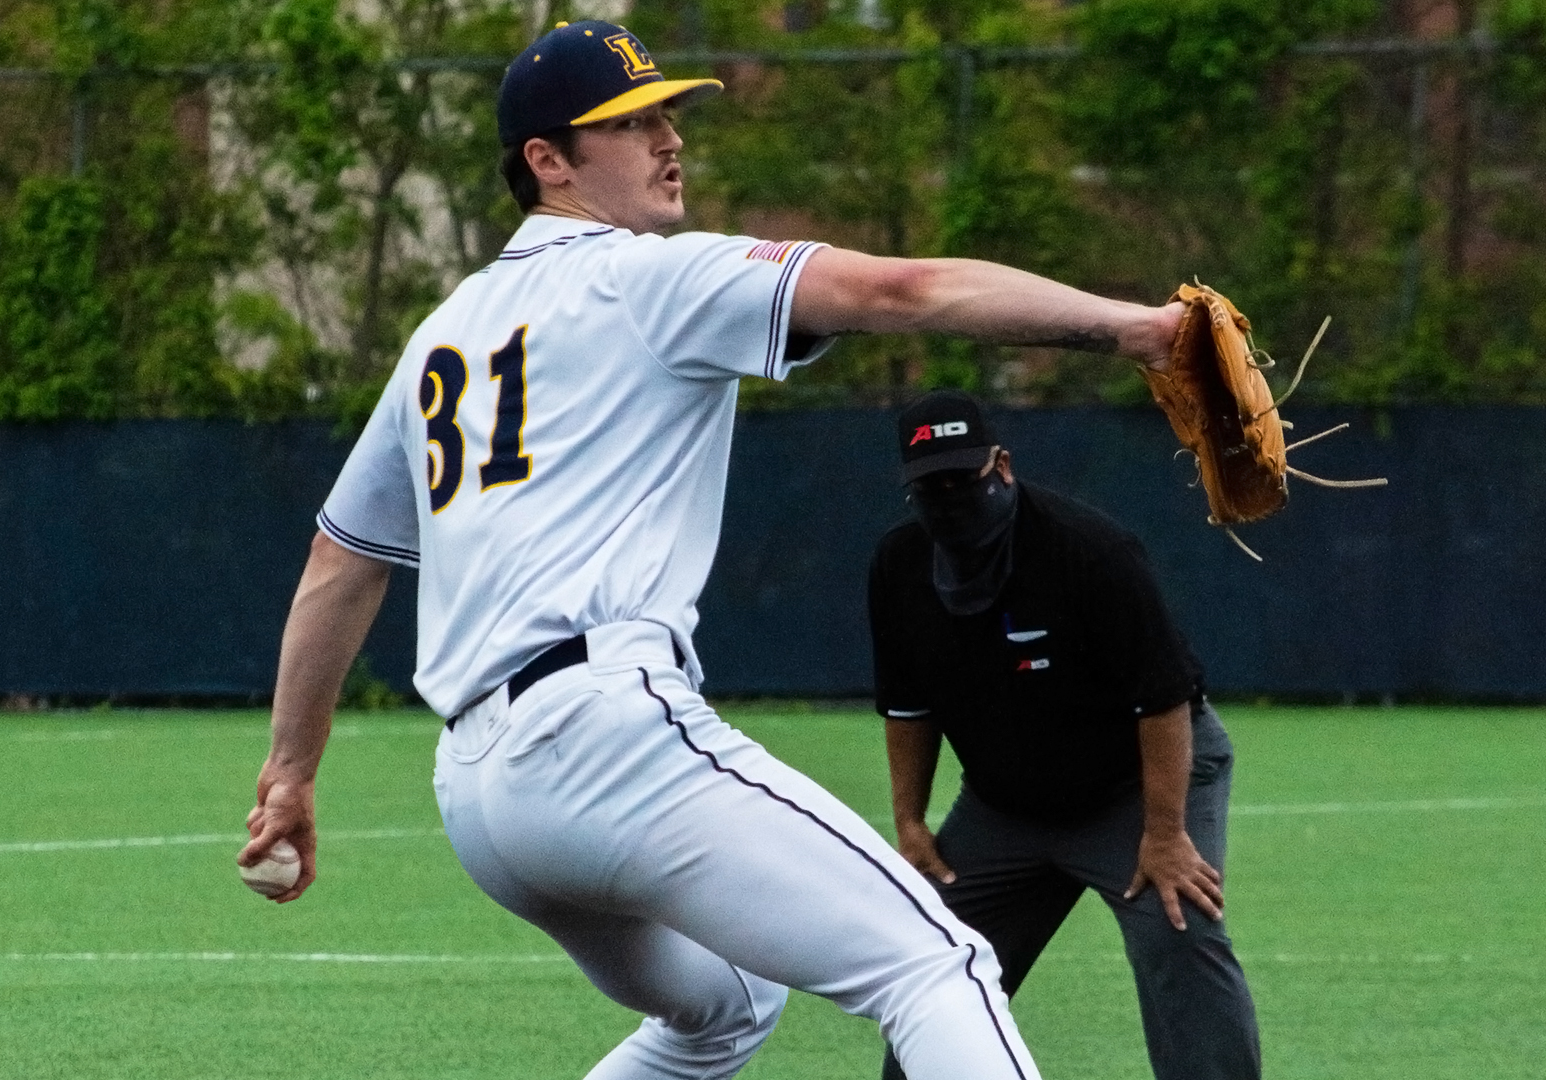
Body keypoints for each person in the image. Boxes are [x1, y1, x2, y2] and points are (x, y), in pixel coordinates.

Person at [237, 20, 1182, 1080]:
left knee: (725, 1012)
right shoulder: (646, 279)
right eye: (630, 124)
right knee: (942, 966)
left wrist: (290, 773)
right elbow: (901, 291)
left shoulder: (442, 338)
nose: (669, 139)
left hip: (481, 797)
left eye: (668, 115)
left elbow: (341, 561)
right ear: (547, 161)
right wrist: (1133, 328)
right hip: (601, 737)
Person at [868, 389, 1263, 1080]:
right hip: (1005, 807)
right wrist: (909, 819)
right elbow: (908, 708)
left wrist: (1166, 836)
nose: (952, 496)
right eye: (934, 486)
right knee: (935, 958)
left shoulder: (1090, 551)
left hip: (1135, 786)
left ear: (1003, 465)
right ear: (910, 489)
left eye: (966, 478)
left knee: (1180, 928)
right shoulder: (900, 567)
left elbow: (1165, 701)